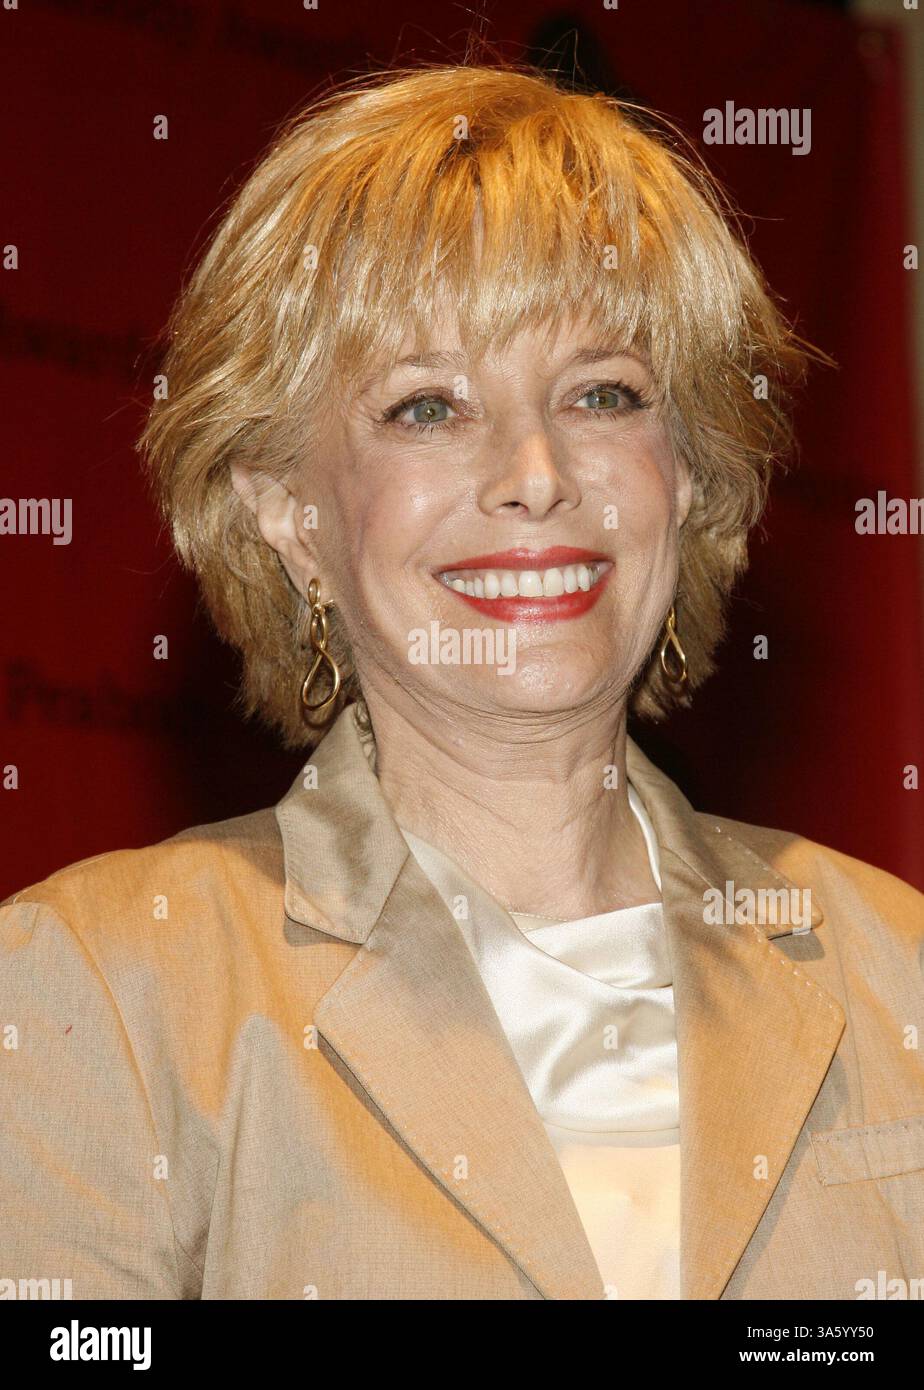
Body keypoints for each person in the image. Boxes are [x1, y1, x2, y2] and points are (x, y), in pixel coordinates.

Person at [2, 63, 922, 1302]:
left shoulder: (894, 961)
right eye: (428, 407)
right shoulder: (99, 988)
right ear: (289, 514)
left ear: (688, 476)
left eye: (603, 394)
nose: (536, 473)